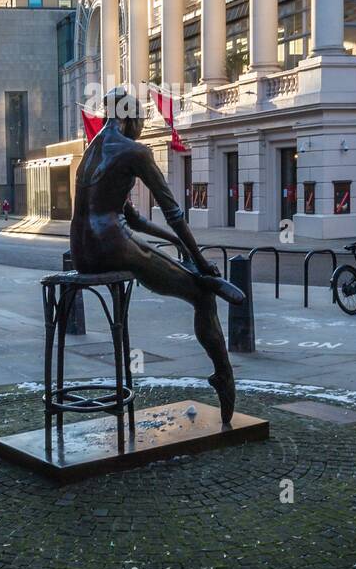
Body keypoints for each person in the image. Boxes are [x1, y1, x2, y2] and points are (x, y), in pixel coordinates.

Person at [70, 87, 244, 423]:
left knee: (186, 274)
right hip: (112, 247)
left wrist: (175, 244)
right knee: (202, 294)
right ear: (131, 117)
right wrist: (200, 258)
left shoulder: (89, 153)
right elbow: (173, 210)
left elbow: (133, 219)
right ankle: (223, 375)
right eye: (141, 121)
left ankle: (221, 369)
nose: (142, 128)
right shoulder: (135, 151)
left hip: (83, 251)